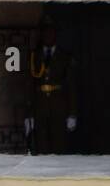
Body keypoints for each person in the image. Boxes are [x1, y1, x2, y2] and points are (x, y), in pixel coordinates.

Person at [27, 15, 77, 153]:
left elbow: (71, 87)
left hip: (59, 106)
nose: (47, 35)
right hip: (40, 106)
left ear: (55, 34)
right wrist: (29, 114)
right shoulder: (34, 56)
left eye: (51, 31)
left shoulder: (65, 57)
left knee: (59, 144)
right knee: (41, 143)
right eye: (45, 31)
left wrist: (72, 114)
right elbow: (30, 85)